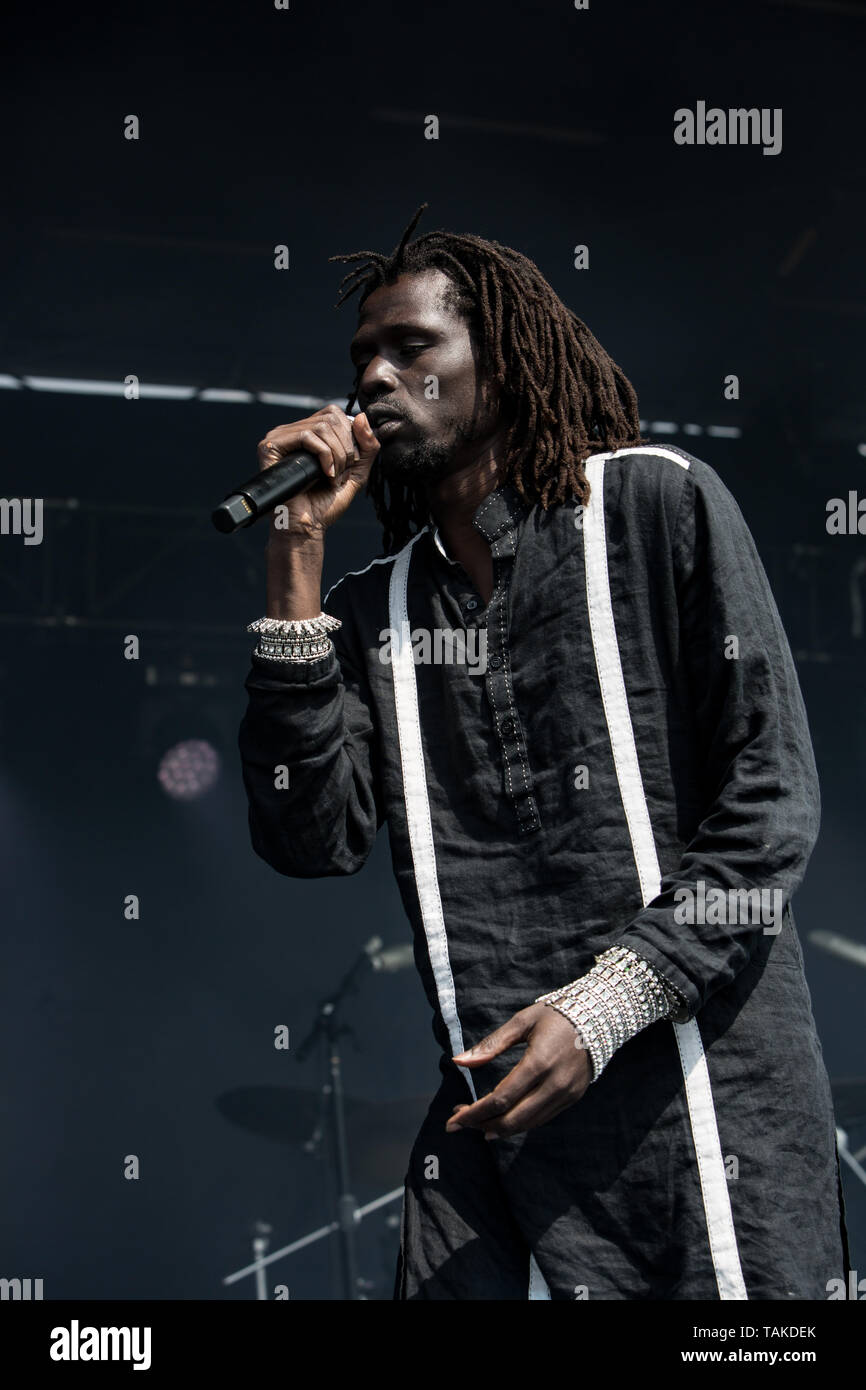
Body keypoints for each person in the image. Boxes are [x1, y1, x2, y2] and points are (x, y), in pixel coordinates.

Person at [237, 205, 848, 1300]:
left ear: (506, 362)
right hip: (497, 1121)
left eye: (410, 347)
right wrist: (292, 567)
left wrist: (601, 1005)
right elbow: (307, 836)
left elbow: (771, 803)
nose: (373, 378)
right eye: (360, 358)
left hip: (702, 1093)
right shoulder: (376, 609)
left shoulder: (657, 503)